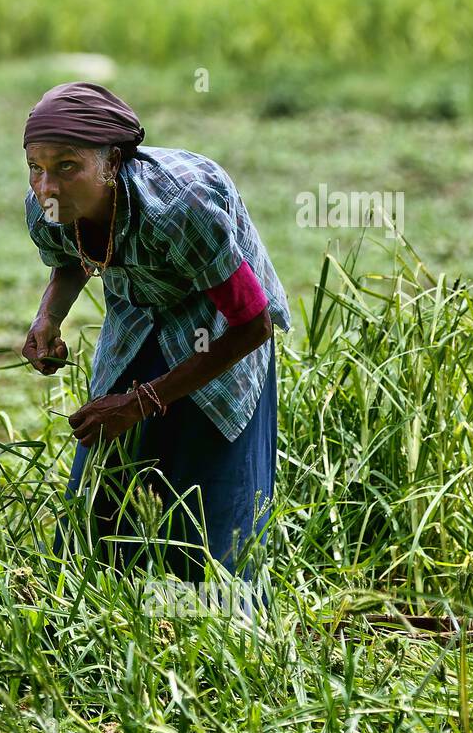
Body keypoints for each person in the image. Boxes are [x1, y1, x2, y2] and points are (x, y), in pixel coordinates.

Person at [19, 82, 290, 612]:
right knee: (103, 494)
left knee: (208, 505)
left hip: (219, 331)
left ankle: (218, 639)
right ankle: (96, 624)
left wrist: (141, 401)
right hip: (138, 319)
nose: (47, 185)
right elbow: (71, 256)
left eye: (67, 166)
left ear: (113, 162)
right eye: (35, 166)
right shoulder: (44, 207)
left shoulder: (180, 209)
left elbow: (253, 324)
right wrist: (47, 318)